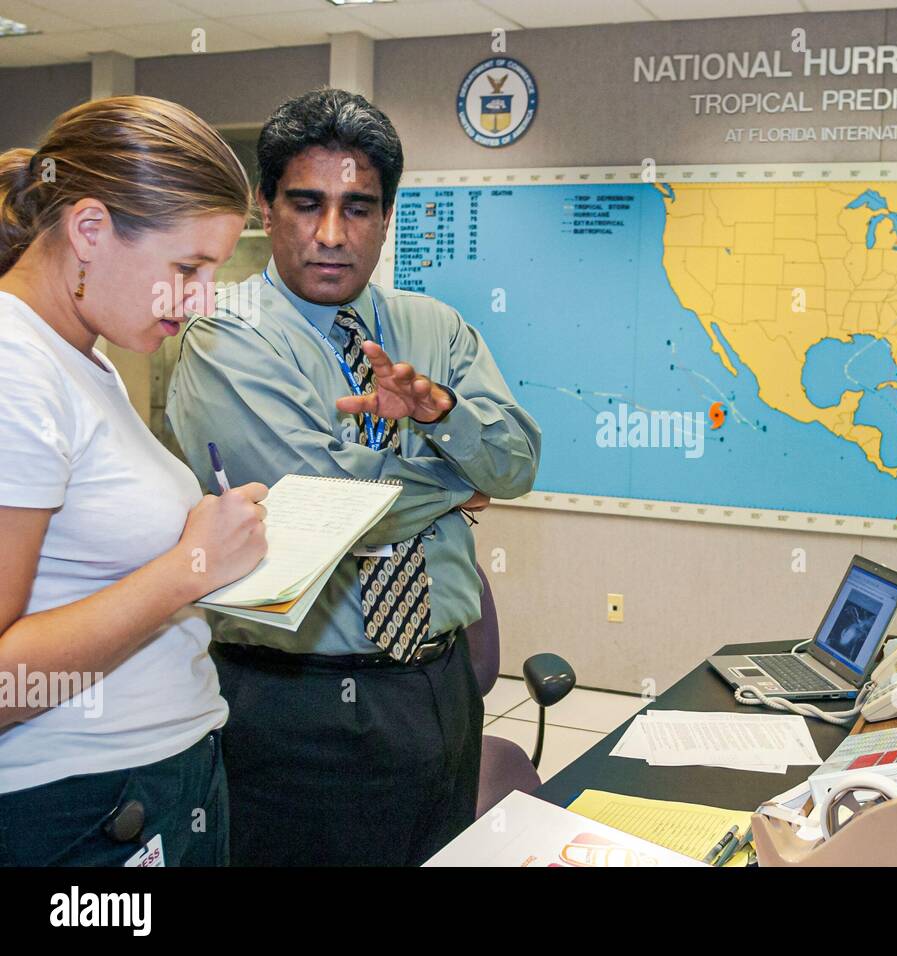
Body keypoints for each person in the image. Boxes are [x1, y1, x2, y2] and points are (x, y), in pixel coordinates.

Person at [166, 88, 541, 866]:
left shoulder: (435, 327)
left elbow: (516, 462)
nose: (331, 235)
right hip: (296, 703)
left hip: (438, 688)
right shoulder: (224, 336)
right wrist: (454, 481)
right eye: (306, 204)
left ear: (387, 214)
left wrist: (438, 411)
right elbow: (317, 503)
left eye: (359, 208)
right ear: (266, 209)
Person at [0, 95, 269, 866]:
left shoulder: (83, 356)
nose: (200, 299)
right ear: (89, 230)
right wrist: (193, 567)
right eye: (187, 268)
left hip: (153, 780)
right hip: (78, 809)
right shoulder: (15, 365)